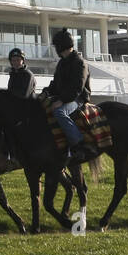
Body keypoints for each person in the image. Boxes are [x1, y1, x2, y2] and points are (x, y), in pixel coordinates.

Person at [45, 29, 95, 160]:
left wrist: (62, 100)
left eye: (56, 46)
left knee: (59, 112)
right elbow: (55, 84)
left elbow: (77, 88)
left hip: (78, 98)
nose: (55, 49)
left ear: (61, 46)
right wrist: (45, 93)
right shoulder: (62, 62)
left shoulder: (80, 62)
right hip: (65, 97)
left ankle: (79, 144)